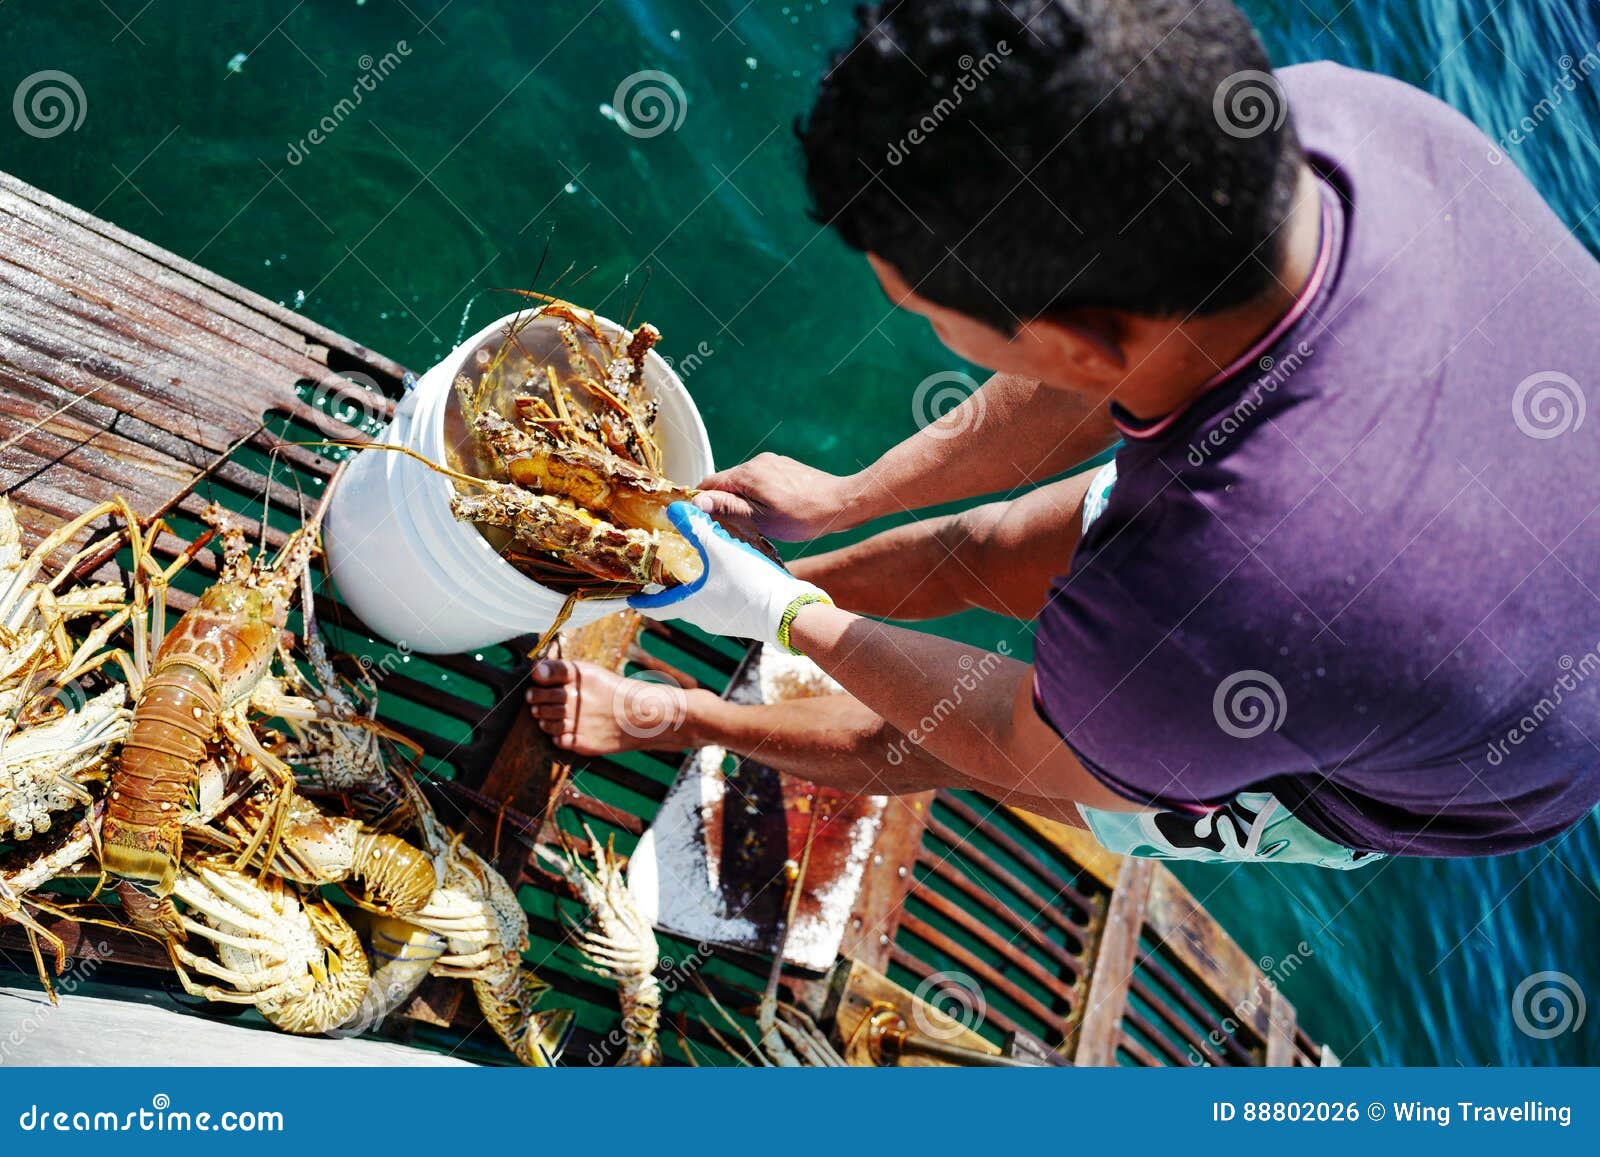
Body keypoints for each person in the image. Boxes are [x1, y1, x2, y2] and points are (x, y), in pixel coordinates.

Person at [527, 0, 1600, 866]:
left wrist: (788, 611)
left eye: (933, 318)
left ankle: (671, 713)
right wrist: (846, 495)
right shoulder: (1330, 125)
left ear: (1080, 337)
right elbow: (1094, 375)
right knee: (990, 549)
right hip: (1397, 531)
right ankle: (741, 614)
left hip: (1450, 757)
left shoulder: (1209, 611)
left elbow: (1009, 735)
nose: (940, 334)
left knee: (959, 744)